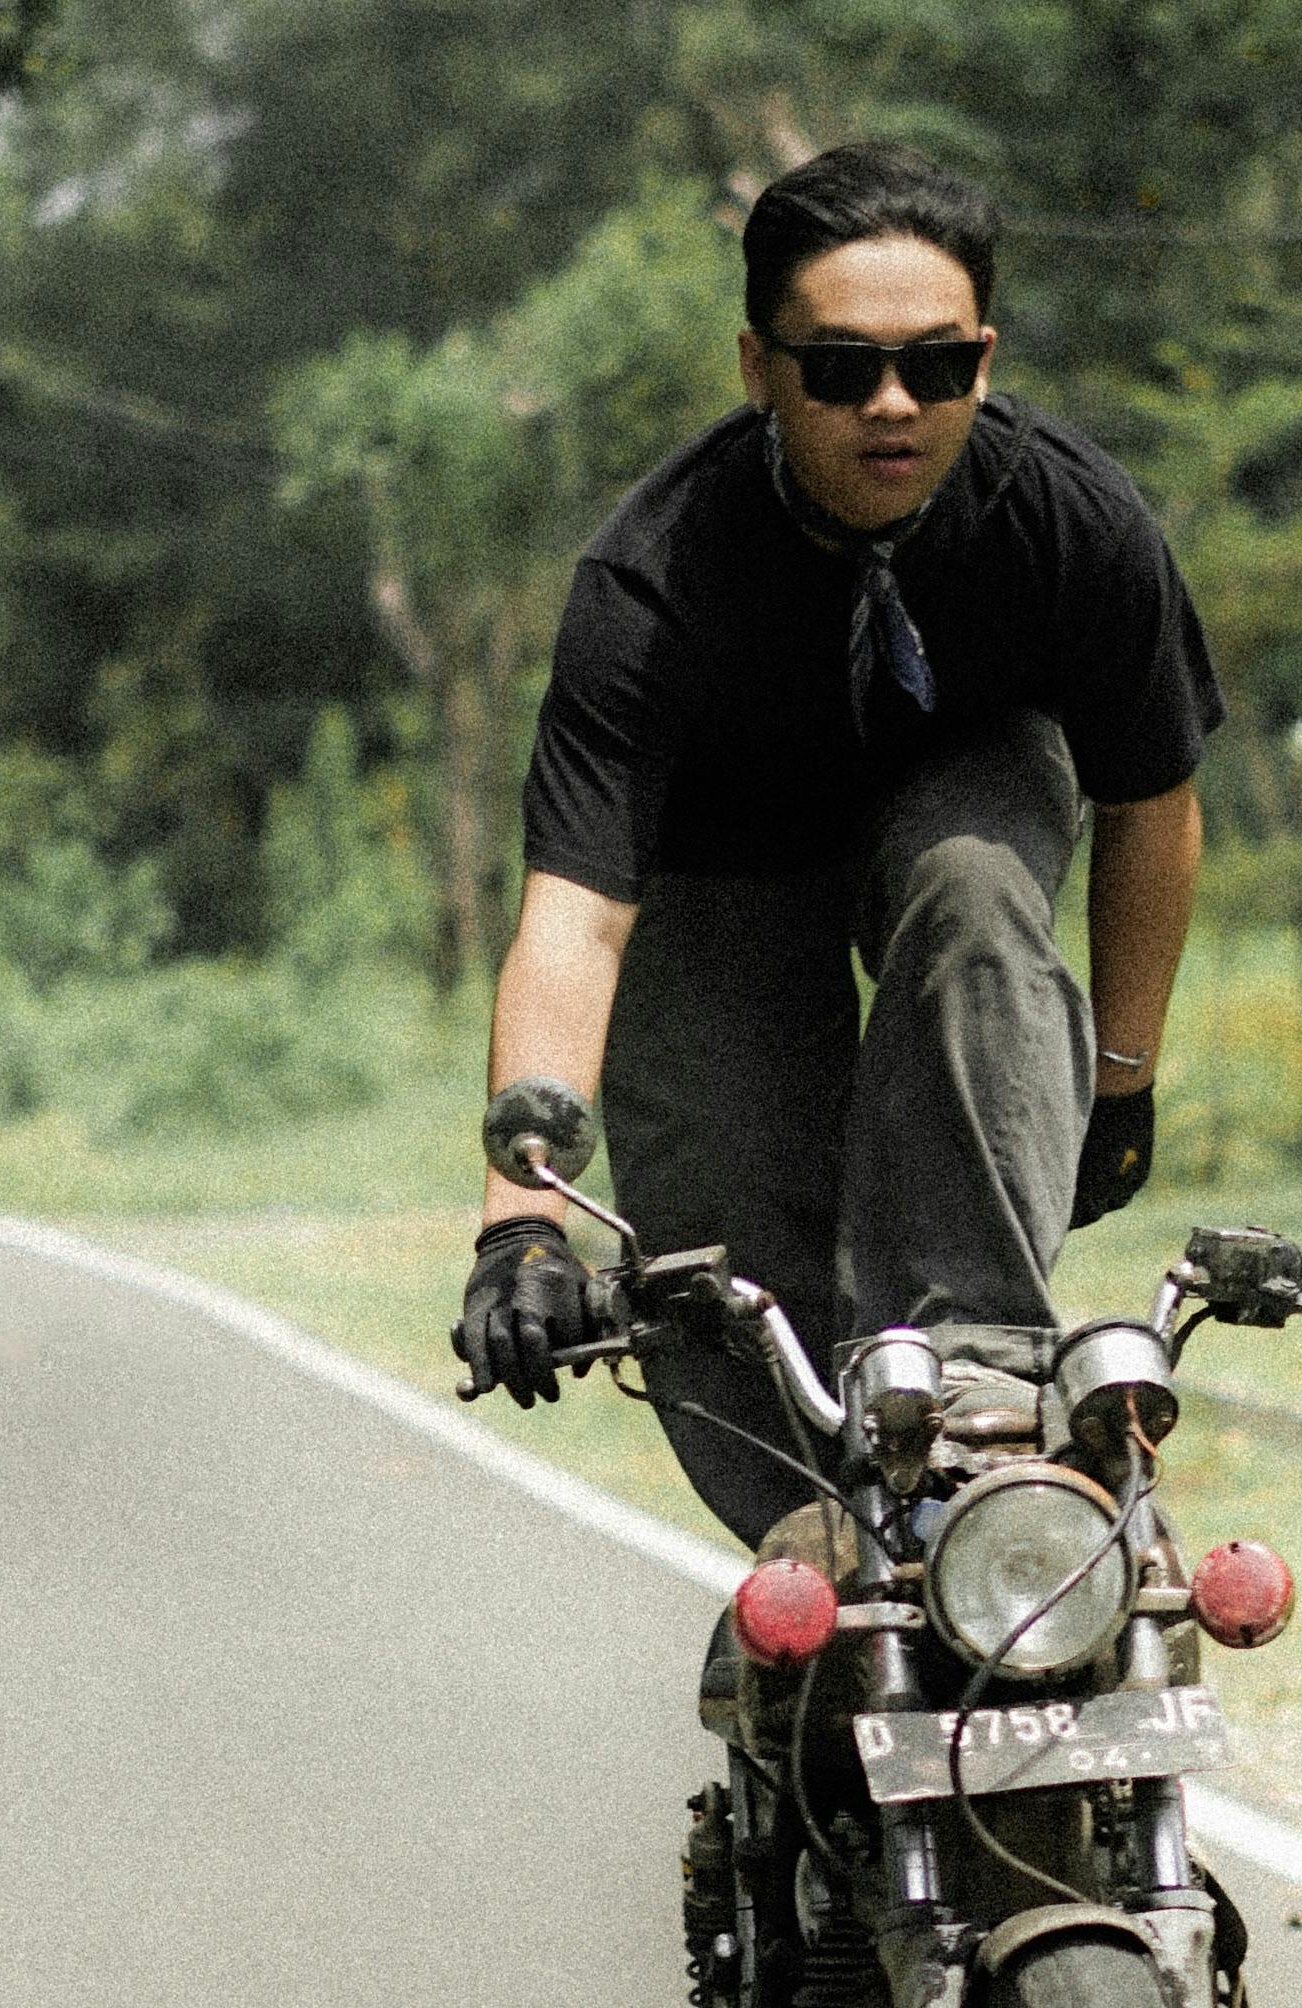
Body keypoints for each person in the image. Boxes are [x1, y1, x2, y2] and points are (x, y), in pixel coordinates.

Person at [454, 141, 1222, 1540]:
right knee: (720, 1286)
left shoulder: (1076, 524)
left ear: (984, 360)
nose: (893, 405)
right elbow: (575, 915)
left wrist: (1121, 1083)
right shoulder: (650, 580)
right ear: (760, 369)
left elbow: (1151, 810)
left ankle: (977, 1377)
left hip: (964, 784)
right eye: (841, 369)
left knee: (974, 887)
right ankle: (821, 1544)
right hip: (718, 866)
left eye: (936, 366)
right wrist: (523, 1221)